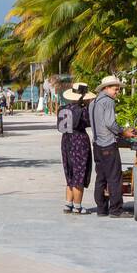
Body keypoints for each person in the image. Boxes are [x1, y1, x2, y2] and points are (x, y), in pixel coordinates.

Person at [89, 75, 132, 218]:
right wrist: (123, 132)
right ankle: (116, 210)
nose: (117, 92)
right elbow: (110, 123)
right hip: (107, 144)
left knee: (101, 177)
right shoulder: (108, 101)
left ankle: (101, 209)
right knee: (114, 178)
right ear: (106, 88)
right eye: (115, 89)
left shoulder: (93, 102)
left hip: (97, 144)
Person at [58, 82, 94, 214]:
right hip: (79, 141)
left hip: (66, 140)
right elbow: (89, 123)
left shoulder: (63, 109)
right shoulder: (83, 111)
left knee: (70, 172)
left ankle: (68, 203)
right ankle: (78, 206)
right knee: (79, 172)